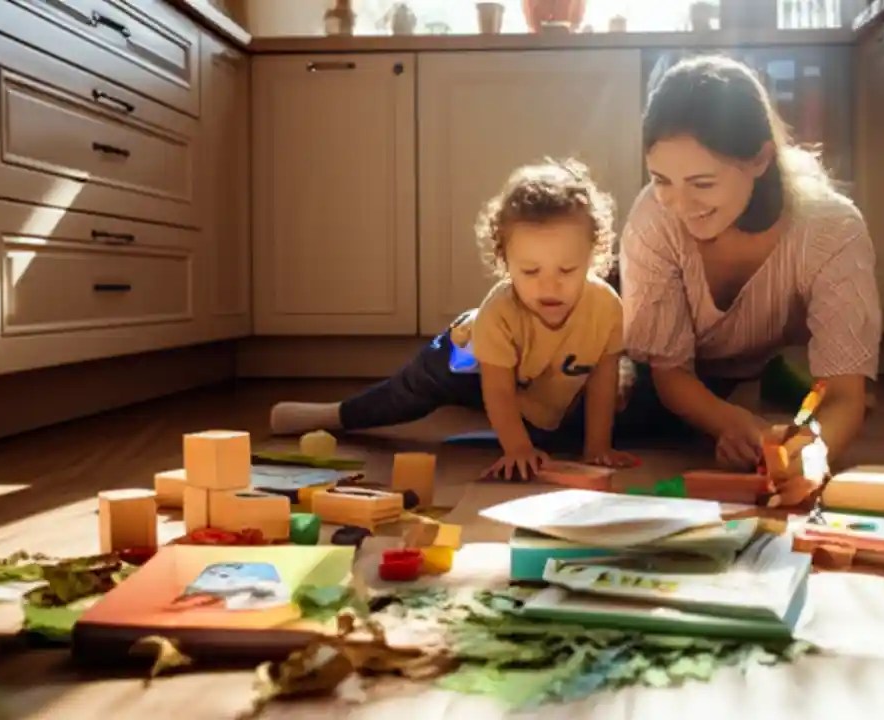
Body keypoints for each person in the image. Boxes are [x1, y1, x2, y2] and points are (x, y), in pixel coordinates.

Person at [270, 159, 637, 480]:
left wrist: (597, 448)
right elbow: (496, 391)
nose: (549, 286)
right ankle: (333, 415)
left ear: (595, 256)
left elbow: (603, 380)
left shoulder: (605, 308)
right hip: (465, 355)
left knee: (552, 422)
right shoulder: (500, 311)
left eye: (567, 269)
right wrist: (516, 449)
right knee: (409, 390)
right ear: (505, 263)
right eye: (529, 270)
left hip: (531, 380)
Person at [617, 54, 881, 500]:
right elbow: (669, 373)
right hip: (650, 357)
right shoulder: (654, 220)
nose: (679, 204)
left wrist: (812, 456)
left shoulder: (830, 229)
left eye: (702, 184)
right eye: (661, 179)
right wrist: (734, 424)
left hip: (743, 364)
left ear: (760, 159)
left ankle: (767, 378)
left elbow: (844, 394)